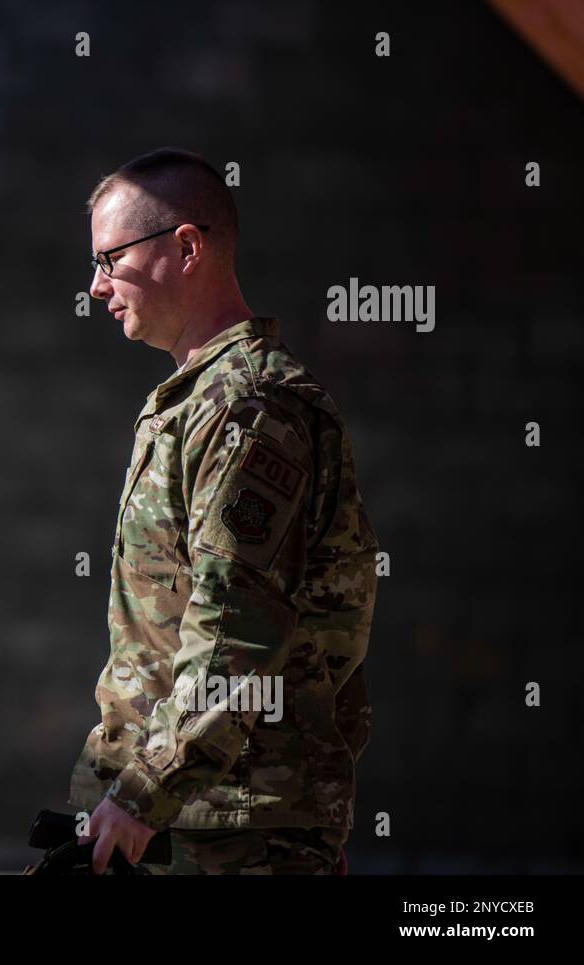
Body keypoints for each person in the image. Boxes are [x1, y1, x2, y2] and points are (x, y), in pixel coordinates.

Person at [68, 148, 379, 875]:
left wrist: (145, 791)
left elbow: (232, 632)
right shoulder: (198, 402)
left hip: (235, 839)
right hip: (181, 828)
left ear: (185, 247)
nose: (95, 285)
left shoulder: (250, 409)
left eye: (109, 259)